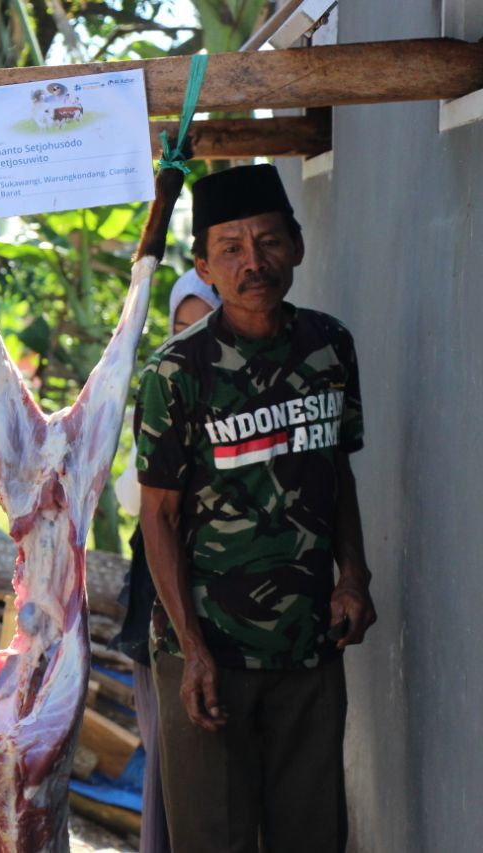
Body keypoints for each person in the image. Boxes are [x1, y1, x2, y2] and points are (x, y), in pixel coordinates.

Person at [134, 164, 377, 853]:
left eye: (268, 241)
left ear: (297, 245)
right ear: (204, 265)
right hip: (209, 652)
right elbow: (158, 516)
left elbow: (336, 468)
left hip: (309, 646)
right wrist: (193, 649)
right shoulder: (178, 371)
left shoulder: (328, 347)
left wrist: (353, 575)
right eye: (232, 248)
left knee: (313, 835)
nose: (253, 262)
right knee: (217, 839)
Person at [111, 268, 220, 853]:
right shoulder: (161, 391)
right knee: (169, 757)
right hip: (160, 610)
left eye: (206, 321)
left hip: (231, 609)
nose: (193, 337)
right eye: (182, 326)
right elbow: (133, 499)